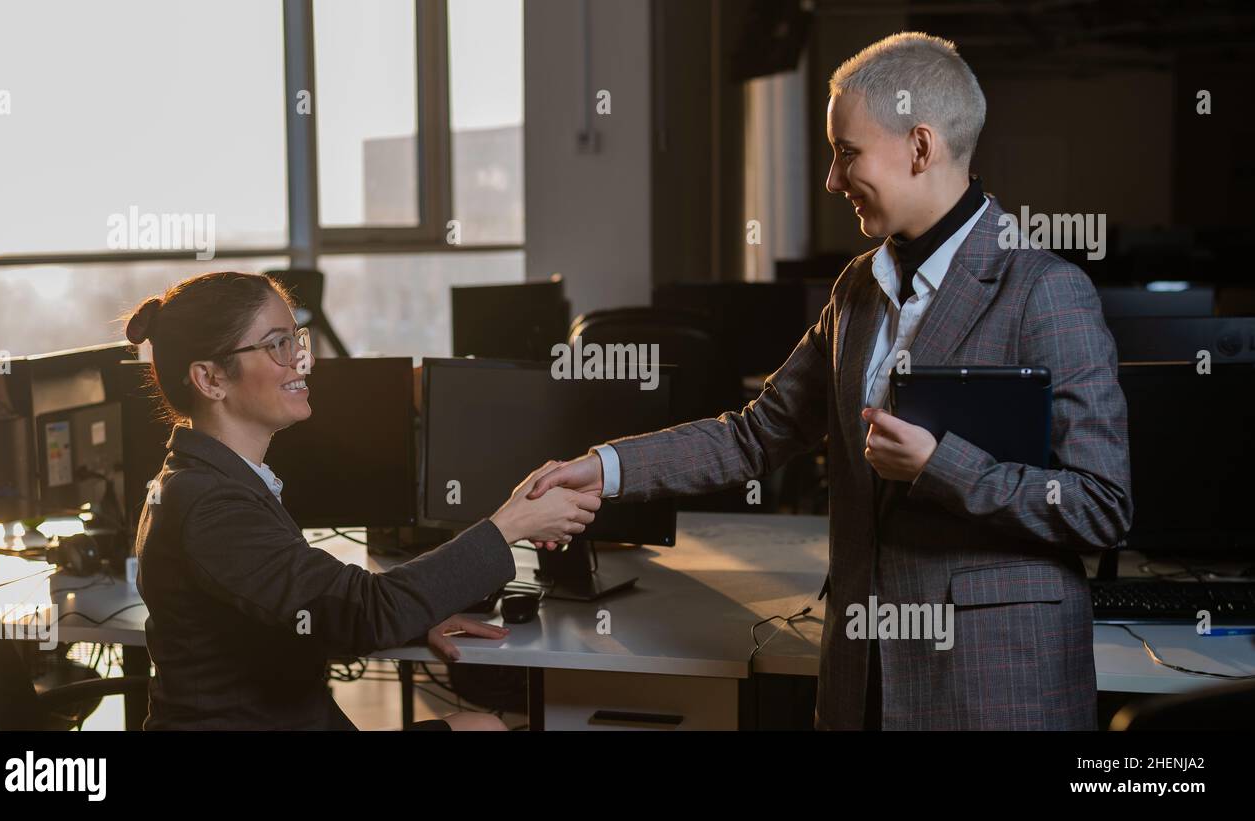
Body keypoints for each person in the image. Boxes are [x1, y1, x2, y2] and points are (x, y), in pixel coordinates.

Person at [526, 32, 1132, 730]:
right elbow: (755, 435)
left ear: (921, 147)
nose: (831, 180)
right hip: (861, 677)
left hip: (992, 685)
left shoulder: (1047, 292)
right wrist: (604, 469)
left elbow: (1102, 506)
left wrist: (941, 466)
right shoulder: (857, 290)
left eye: (846, 153)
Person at [125, 271, 600, 730]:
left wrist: (414, 618)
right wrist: (510, 524)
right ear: (210, 379)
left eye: (297, 339)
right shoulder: (211, 507)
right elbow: (364, 611)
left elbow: (295, 608)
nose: (301, 360)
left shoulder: (209, 479)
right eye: (277, 346)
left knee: (480, 725)